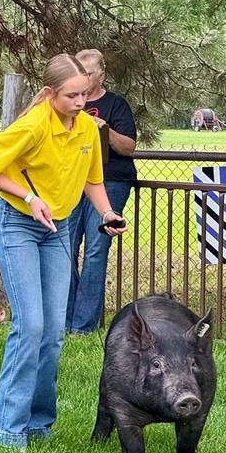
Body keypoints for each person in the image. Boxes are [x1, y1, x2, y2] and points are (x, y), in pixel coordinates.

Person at [0, 54, 125, 451]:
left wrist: (107, 212)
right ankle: (8, 431)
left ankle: (39, 425)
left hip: (58, 228)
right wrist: (29, 196)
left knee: (53, 332)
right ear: (52, 94)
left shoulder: (87, 127)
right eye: (72, 96)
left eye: (84, 94)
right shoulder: (34, 124)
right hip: (18, 224)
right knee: (31, 326)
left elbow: (93, 180)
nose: (80, 102)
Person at [65, 49, 137, 335]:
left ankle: (83, 325)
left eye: (87, 74)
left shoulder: (116, 105)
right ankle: (65, 317)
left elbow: (128, 148)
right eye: (77, 73)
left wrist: (104, 129)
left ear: (101, 75)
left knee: (96, 250)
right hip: (73, 181)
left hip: (109, 181)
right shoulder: (69, 104)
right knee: (64, 246)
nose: (81, 79)